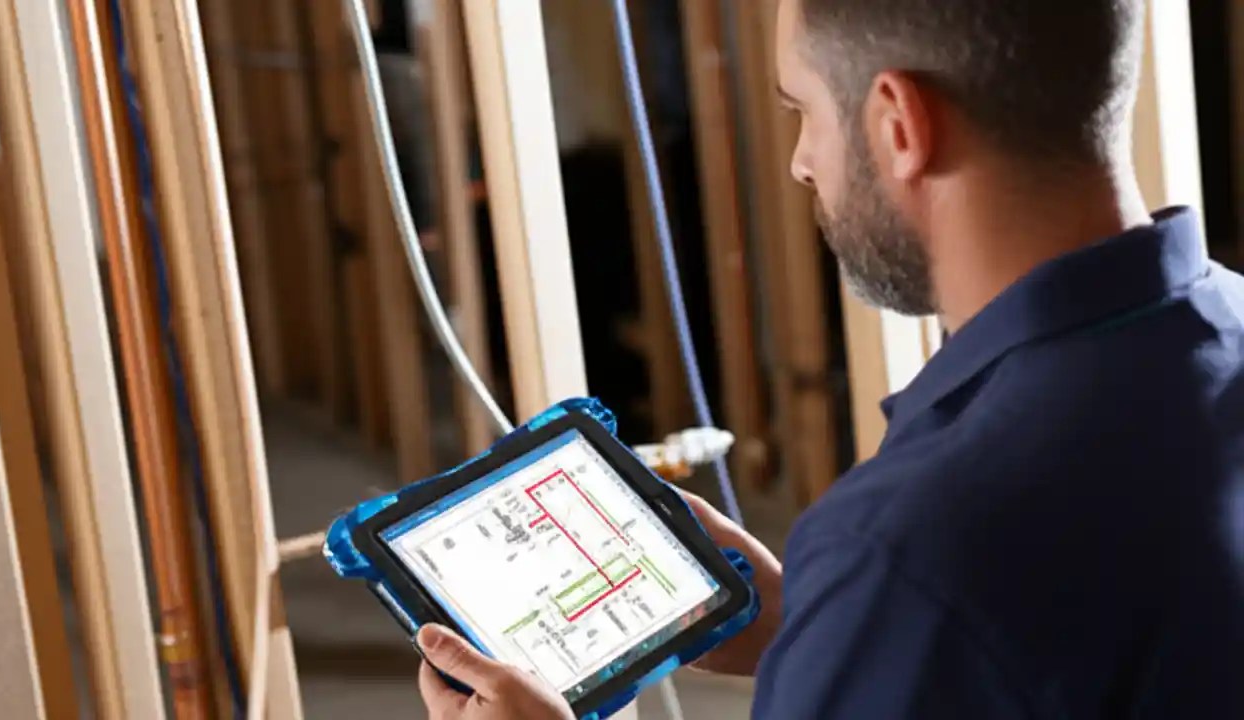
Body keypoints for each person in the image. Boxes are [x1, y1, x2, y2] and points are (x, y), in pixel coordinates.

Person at [411, 0, 1244, 716]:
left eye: (802, 109)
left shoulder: (914, 545)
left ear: (898, 125)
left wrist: (870, 608)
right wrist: (816, 630)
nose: (801, 162)